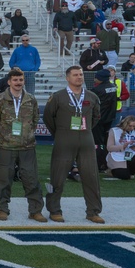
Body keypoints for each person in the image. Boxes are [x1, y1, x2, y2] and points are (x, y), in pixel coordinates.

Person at [43, 65, 105, 224]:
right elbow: (48, 118)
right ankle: (54, 210)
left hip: (86, 138)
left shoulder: (91, 96)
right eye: (76, 75)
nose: (79, 77)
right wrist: (60, 133)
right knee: (57, 176)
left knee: (91, 176)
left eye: (81, 74)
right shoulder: (58, 97)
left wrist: (85, 130)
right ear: (67, 78)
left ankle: (93, 211)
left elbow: (97, 117)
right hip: (64, 138)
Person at [0, 68, 45, 222]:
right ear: (9, 82)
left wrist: (27, 135)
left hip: (27, 147)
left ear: (23, 81)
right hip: (6, 147)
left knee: (31, 179)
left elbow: (34, 119)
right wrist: (3, 137)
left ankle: (35, 210)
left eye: (20, 80)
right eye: (15, 80)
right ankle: (2, 209)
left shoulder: (31, 99)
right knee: (3, 180)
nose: (18, 83)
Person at [106, 115, 135, 179]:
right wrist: (122, 146)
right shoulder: (114, 131)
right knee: (124, 176)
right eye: (130, 126)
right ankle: (111, 170)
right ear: (125, 124)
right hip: (117, 155)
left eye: (134, 126)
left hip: (130, 154)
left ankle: (131, 172)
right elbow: (109, 147)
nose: (132, 128)